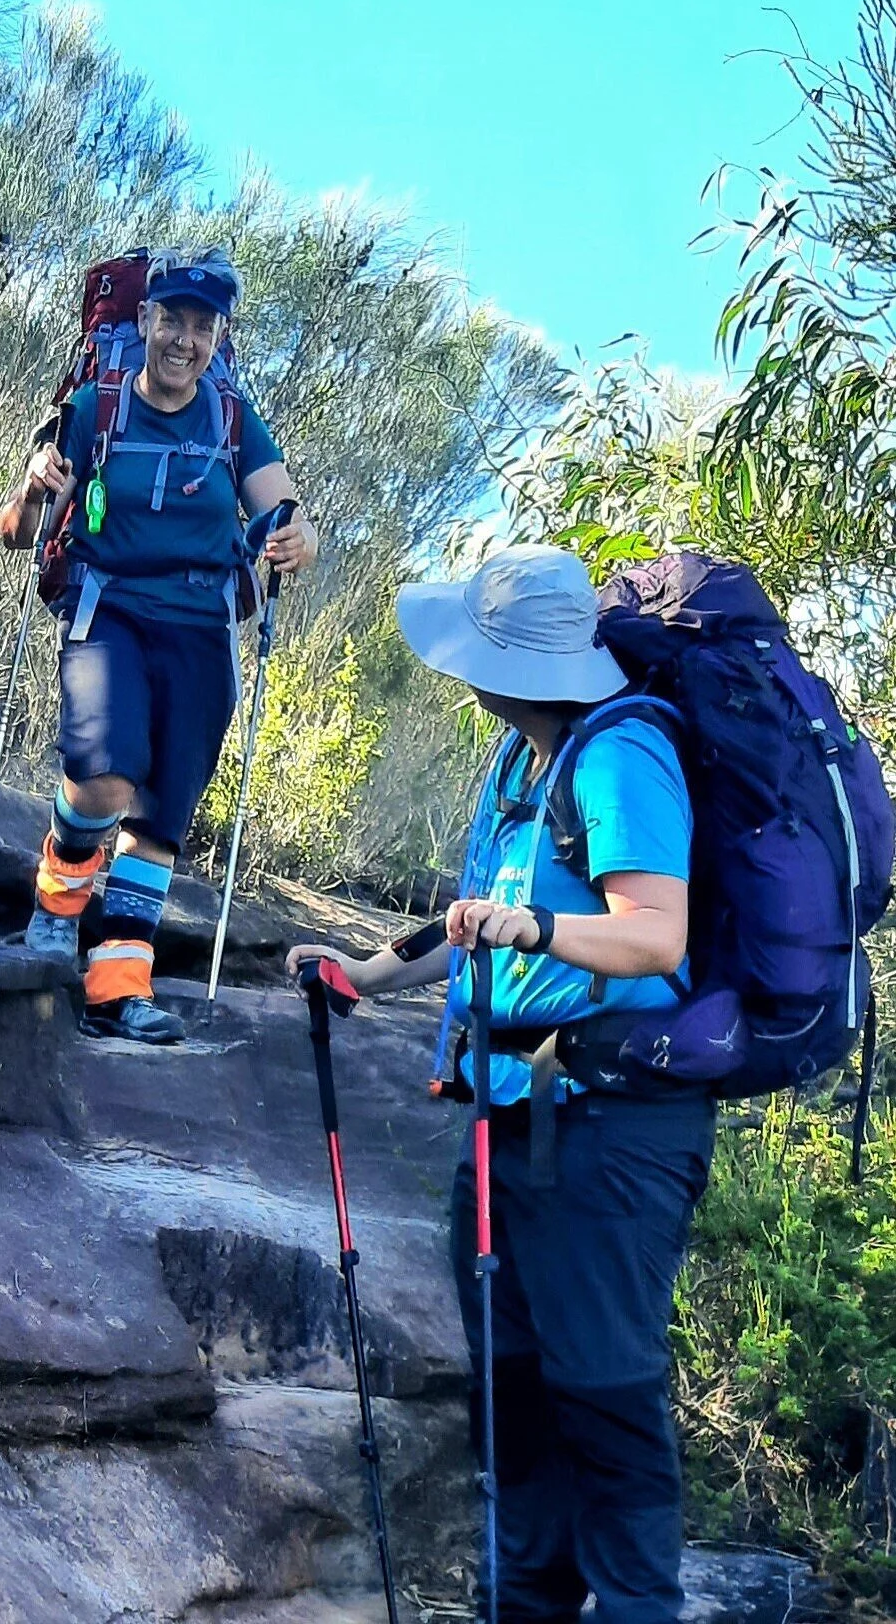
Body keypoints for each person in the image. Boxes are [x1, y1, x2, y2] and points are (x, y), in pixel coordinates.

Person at [288, 543, 715, 1624]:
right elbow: (470, 924)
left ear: (518, 666)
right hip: (517, 1124)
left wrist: (538, 926)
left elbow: (654, 937)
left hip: (614, 1134)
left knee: (605, 1400)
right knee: (514, 1400)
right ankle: (521, 1605)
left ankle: (632, 1609)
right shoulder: (524, 760)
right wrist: (359, 979)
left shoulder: (621, 759)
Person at [14, 246, 318, 1046]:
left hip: (199, 628)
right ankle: (56, 901)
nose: (185, 340)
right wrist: (34, 489)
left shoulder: (231, 417)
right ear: (144, 320)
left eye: (202, 326)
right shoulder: (94, 407)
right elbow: (17, 533)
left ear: (218, 337)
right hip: (107, 609)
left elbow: (281, 507)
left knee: (158, 819)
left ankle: (119, 986)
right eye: (171, 320)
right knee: (104, 783)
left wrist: (297, 537)